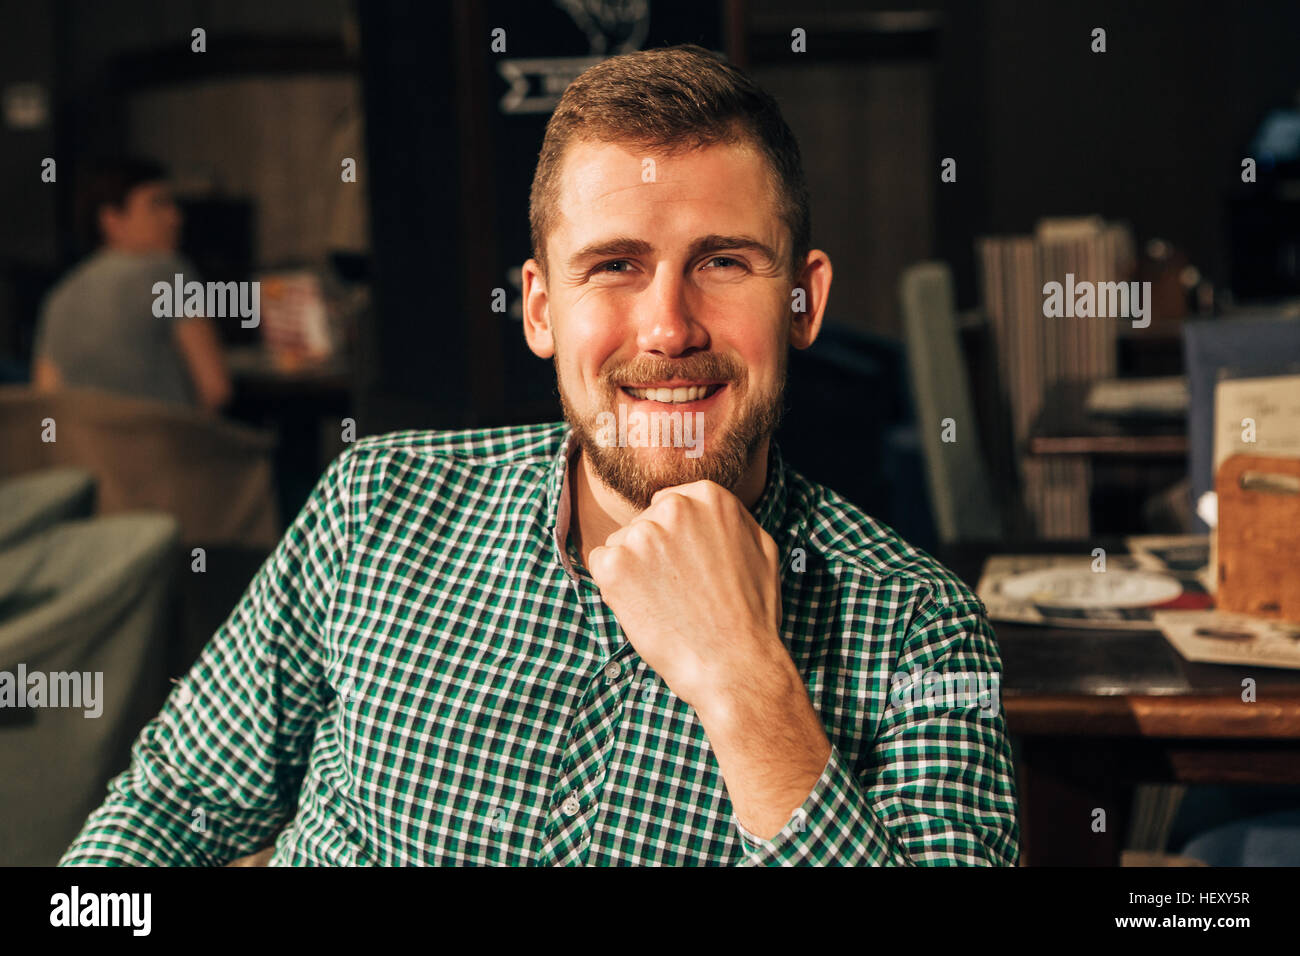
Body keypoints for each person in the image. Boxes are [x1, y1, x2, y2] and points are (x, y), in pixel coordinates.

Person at [60, 45, 1019, 866]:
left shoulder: (918, 628)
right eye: (615, 266)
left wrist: (746, 685)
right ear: (541, 308)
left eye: (723, 262)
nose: (669, 326)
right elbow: (170, 807)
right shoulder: (374, 506)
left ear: (803, 302)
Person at [31, 157, 232, 412]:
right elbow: (216, 387)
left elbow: (47, 397)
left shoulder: (60, 297)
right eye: (157, 205)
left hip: (86, 449)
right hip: (163, 445)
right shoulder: (168, 272)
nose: (175, 217)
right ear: (111, 220)